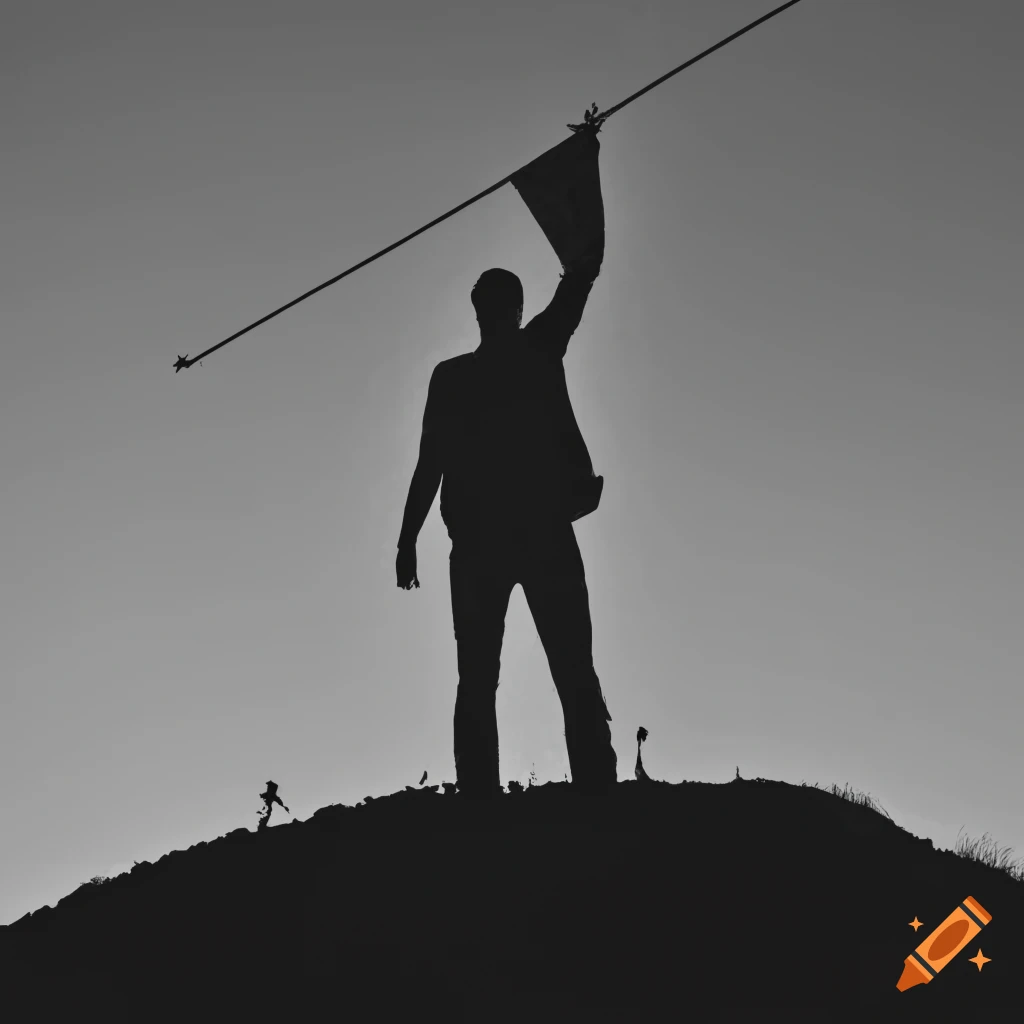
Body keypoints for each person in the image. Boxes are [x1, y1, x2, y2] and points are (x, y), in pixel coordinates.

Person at [396, 244, 617, 799]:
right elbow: (430, 464)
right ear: (511, 309)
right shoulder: (520, 355)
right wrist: (406, 539)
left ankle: (492, 801)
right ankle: (589, 794)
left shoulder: (471, 371)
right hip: (515, 538)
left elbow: (429, 466)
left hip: (498, 542)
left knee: (509, 678)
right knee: (554, 673)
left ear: (483, 310)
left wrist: (407, 540)